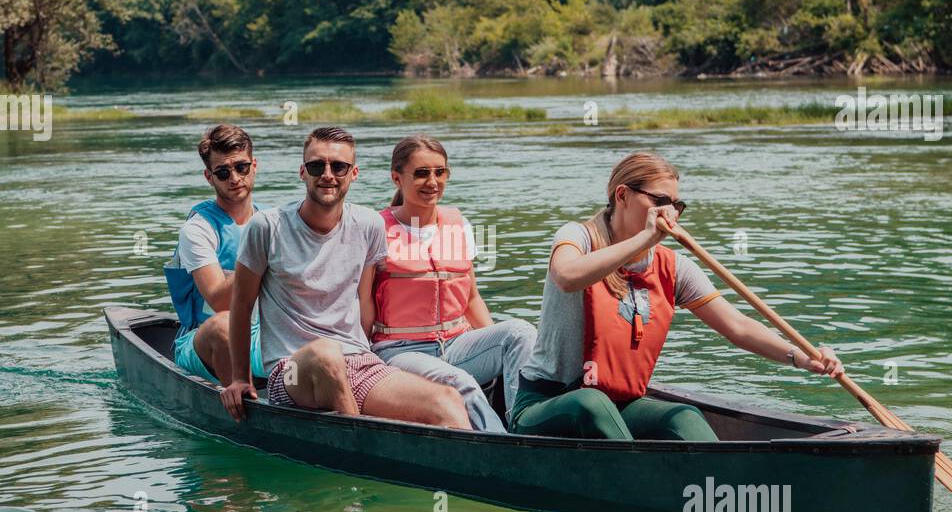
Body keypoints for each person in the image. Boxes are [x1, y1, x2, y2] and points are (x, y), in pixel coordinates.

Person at [510, 152, 844, 440]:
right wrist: (644, 238)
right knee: (589, 403)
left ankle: (725, 489)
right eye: (660, 202)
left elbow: (736, 326)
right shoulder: (577, 236)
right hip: (546, 405)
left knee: (683, 415)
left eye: (677, 204)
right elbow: (567, 277)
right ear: (622, 195)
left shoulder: (673, 267)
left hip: (620, 406)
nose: (670, 213)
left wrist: (801, 357)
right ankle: (647, 480)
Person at [221, 126, 471, 429]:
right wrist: (239, 378)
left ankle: (477, 472)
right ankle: (360, 451)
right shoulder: (267, 227)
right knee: (326, 355)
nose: (328, 174)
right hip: (290, 371)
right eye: (317, 166)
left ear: (353, 173)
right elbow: (242, 303)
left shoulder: (368, 224)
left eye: (338, 166)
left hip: (358, 361)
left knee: (447, 399)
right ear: (303, 172)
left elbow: (365, 300)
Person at [360, 135, 535, 432]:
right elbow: (363, 302)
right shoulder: (375, 229)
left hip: (456, 344)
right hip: (400, 351)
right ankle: (503, 445)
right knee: (460, 383)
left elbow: (471, 299)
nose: (432, 182)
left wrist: (493, 344)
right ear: (396, 178)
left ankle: (526, 427)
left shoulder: (458, 223)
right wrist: (362, 361)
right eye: (421, 173)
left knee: (520, 332)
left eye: (440, 172)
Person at [164, 124, 264, 383]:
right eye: (223, 172)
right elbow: (220, 302)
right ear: (209, 177)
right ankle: (241, 402)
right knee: (224, 325)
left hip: (262, 336)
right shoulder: (197, 230)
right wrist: (261, 253)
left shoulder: (270, 221)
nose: (234, 178)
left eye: (241, 167)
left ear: (254, 166)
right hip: (204, 342)